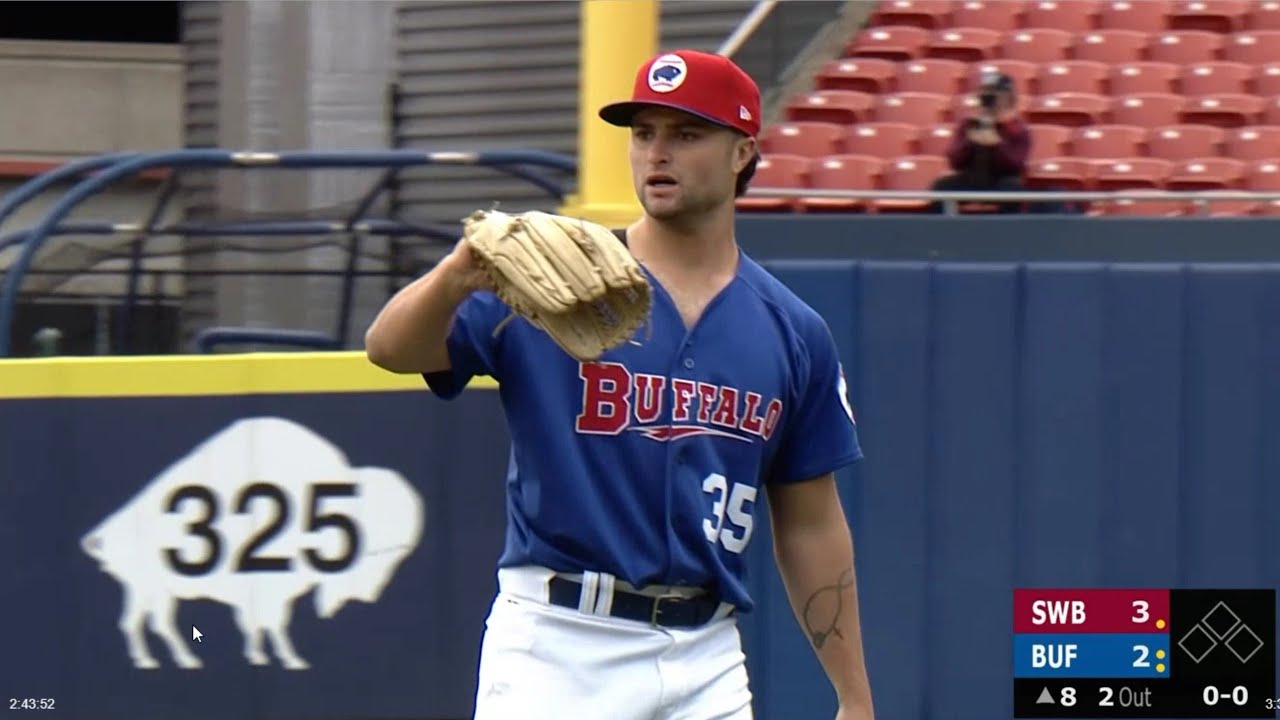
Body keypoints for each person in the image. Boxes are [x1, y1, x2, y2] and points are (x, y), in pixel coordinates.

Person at [364, 49, 875, 720]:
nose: (657, 152)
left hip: (707, 651)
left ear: (742, 151)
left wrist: (854, 698)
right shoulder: (560, 279)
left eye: (686, 134)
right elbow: (390, 350)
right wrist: (456, 274)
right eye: (643, 133)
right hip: (560, 642)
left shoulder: (791, 330)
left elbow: (811, 524)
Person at [930, 71, 1031, 213]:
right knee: (942, 186)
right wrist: (970, 143)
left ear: (1008, 97)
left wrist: (996, 145)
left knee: (1013, 189)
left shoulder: (1017, 128)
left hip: (1001, 181)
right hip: (972, 178)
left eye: (994, 93)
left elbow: (1015, 164)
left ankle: (1006, 232)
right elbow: (954, 160)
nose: (988, 97)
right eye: (985, 92)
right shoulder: (970, 123)